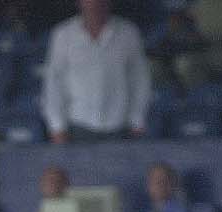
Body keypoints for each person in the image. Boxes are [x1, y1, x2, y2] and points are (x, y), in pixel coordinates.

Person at [42, 0, 148, 143]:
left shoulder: (128, 34)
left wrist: (137, 119)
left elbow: (139, 80)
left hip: (118, 126)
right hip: (77, 124)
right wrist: (57, 126)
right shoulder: (63, 35)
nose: (95, 4)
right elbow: (54, 83)